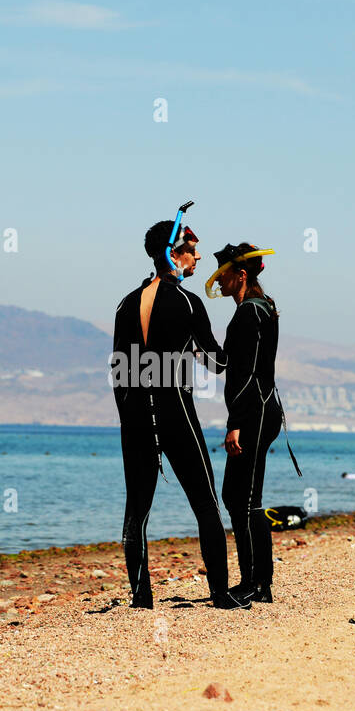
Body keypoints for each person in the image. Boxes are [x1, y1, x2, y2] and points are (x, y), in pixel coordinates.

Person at [112, 219, 247, 610]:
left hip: (134, 416)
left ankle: (141, 598)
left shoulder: (125, 304)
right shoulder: (188, 303)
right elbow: (216, 363)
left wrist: (130, 418)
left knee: (136, 511)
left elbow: (119, 373)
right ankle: (220, 594)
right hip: (175, 411)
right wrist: (240, 329)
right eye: (193, 249)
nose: (199, 257)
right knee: (206, 504)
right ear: (173, 252)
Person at [212, 242, 286, 605]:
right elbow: (230, 363)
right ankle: (257, 581)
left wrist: (235, 422)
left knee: (247, 497)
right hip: (259, 410)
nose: (218, 280)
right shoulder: (261, 308)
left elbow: (248, 373)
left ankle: (257, 583)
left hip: (254, 412)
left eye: (224, 273)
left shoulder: (248, 314)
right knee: (235, 494)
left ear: (240, 274)